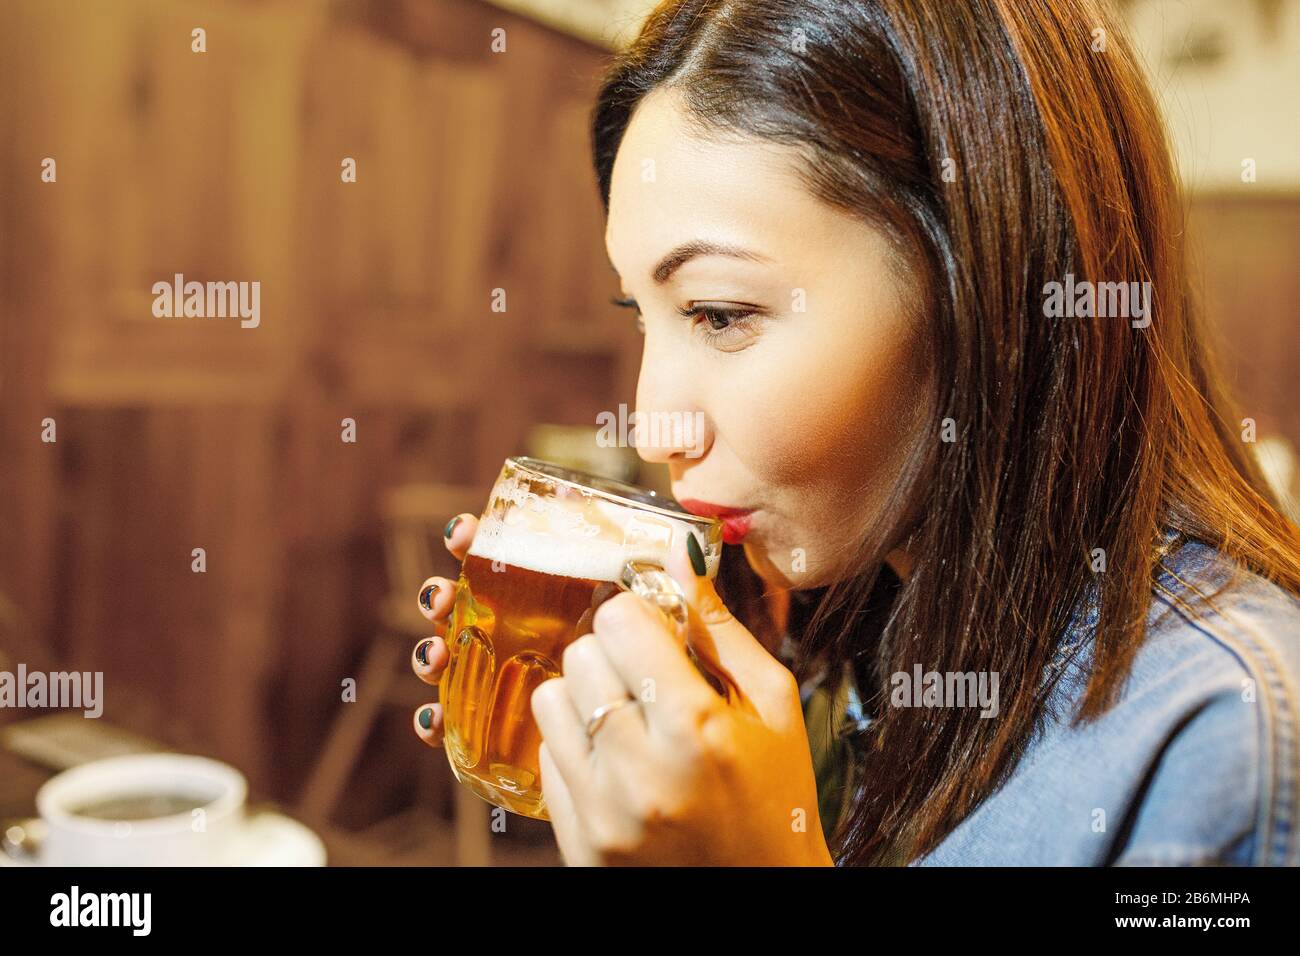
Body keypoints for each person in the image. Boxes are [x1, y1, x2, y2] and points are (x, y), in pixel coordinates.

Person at [410, 0, 1300, 866]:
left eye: (718, 313)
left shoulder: (1224, 736)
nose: (651, 428)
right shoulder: (864, 630)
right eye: (641, 315)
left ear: (986, 289)